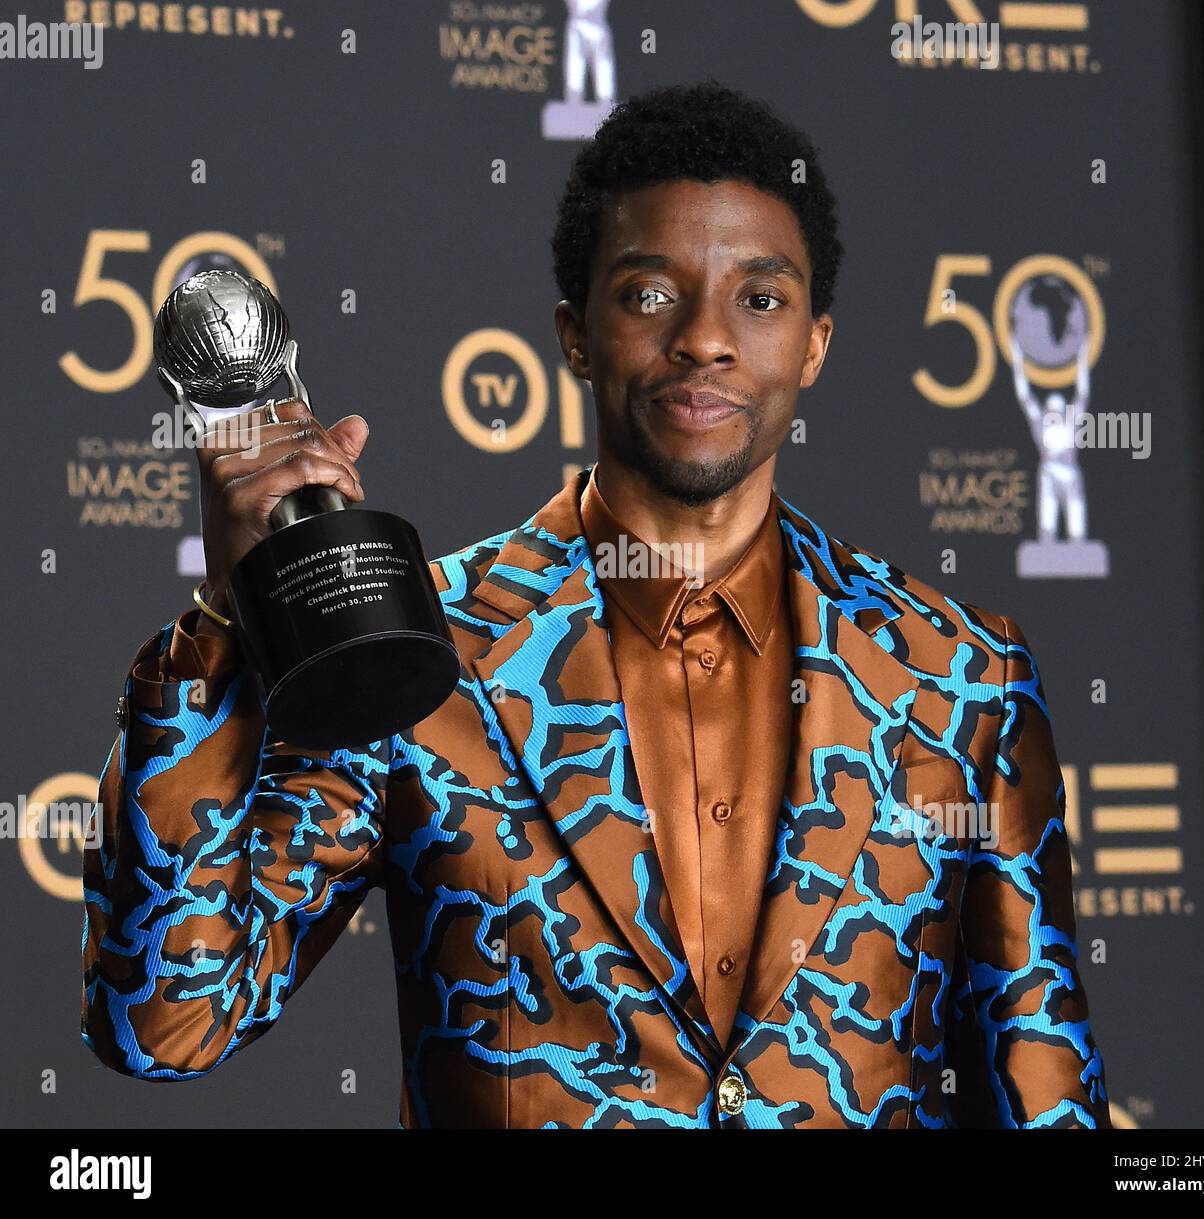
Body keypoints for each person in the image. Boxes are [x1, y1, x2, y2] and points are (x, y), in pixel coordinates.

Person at [81, 80, 1111, 1130]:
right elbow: (164, 1024)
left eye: (759, 299)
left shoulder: (957, 675)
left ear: (814, 342)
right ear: (574, 333)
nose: (704, 338)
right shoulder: (421, 648)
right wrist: (224, 618)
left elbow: (1045, 1097)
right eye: (650, 293)